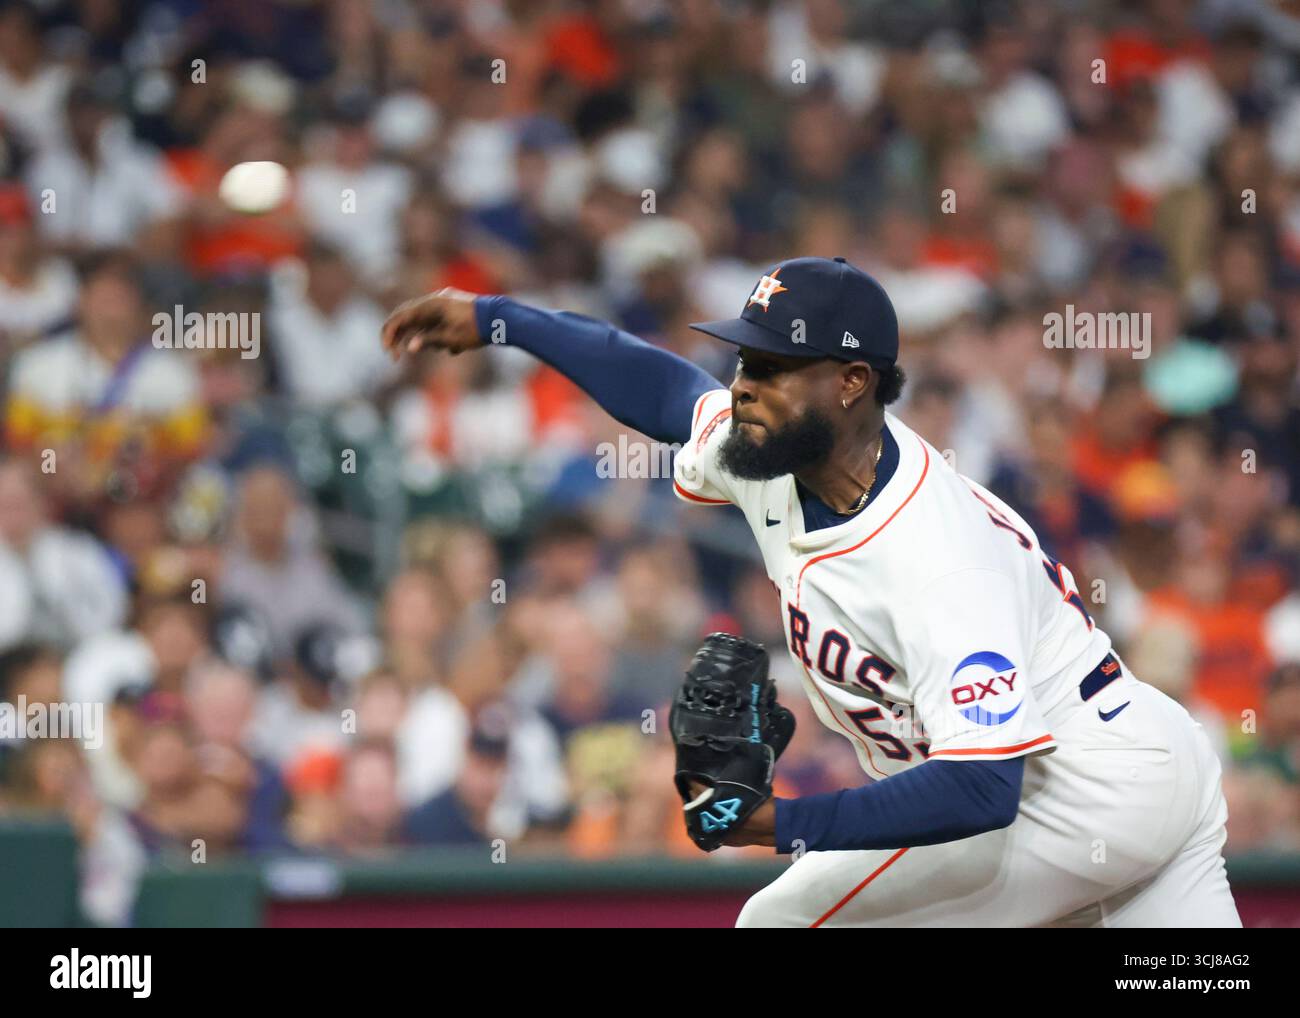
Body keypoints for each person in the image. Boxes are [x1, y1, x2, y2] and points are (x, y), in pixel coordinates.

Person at [379, 256, 1240, 928]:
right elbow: (670, 392)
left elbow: (983, 792)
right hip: (1138, 772)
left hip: (1077, 795)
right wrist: (501, 320)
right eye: (745, 357)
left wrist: (777, 824)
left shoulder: (935, 555)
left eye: (773, 363)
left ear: (851, 382)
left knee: (783, 917)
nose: (743, 382)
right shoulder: (780, 450)